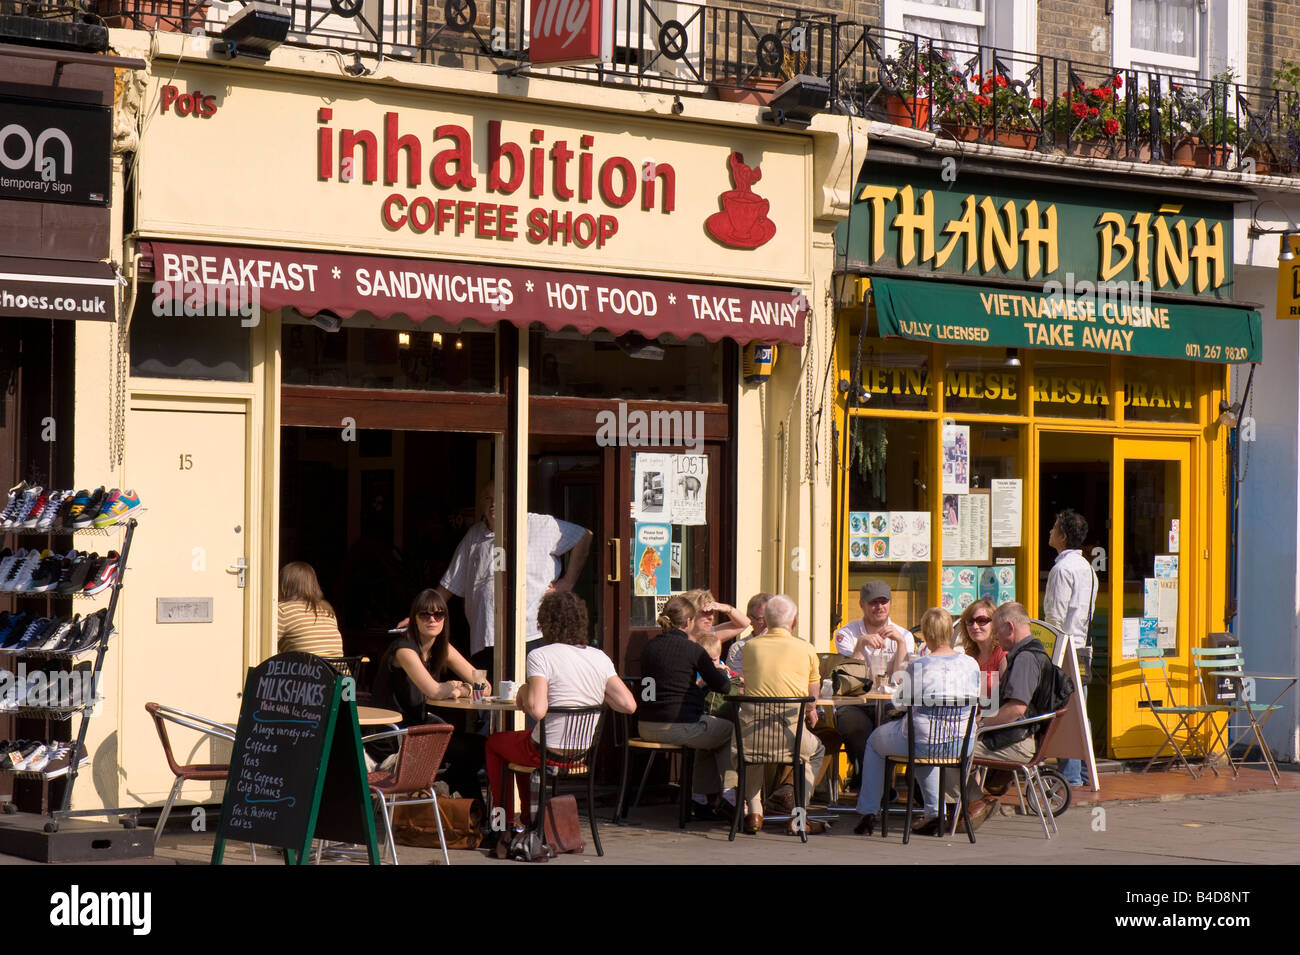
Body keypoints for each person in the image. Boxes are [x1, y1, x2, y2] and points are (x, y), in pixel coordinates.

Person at [484, 592, 636, 826]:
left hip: (547, 752)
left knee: (495, 744)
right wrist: (596, 695)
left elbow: (536, 710)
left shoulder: (540, 656)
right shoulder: (600, 657)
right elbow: (628, 704)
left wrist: (524, 690)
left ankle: (504, 824)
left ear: (545, 623)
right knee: (520, 745)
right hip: (580, 754)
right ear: (581, 622)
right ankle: (527, 819)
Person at [433, 481, 593, 679]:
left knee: (528, 699)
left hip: (530, 633)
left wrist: (567, 582)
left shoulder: (538, 525)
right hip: (485, 637)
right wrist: (422, 611)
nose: (492, 504)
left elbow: (583, 536)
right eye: (487, 499)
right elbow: (449, 585)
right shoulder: (474, 536)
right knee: (488, 700)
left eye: (498, 498)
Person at [852, 608, 980, 835]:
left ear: (926, 635)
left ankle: (868, 811)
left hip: (924, 740)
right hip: (962, 743)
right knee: (926, 741)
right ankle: (933, 813)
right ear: (950, 632)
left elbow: (901, 704)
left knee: (875, 741)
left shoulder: (921, 665)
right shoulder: (970, 663)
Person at [944, 601, 1055, 833]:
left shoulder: (1022, 659)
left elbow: (1015, 709)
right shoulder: (1028, 653)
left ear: (1009, 627)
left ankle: (975, 802)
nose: (994, 635)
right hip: (1014, 734)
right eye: (971, 621)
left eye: (994, 628)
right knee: (948, 744)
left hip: (1016, 740)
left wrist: (980, 725)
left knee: (944, 750)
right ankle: (971, 803)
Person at [368, 589, 487, 799]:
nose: (432, 620)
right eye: (425, 615)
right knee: (475, 751)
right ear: (414, 619)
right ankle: (469, 816)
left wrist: (463, 689)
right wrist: (453, 686)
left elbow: (484, 685)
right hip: (395, 735)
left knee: (481, 748)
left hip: (418, 727)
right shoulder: (404, 650)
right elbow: (434, 690)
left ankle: (468, 815)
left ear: (445, 620)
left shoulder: (441, 648)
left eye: (438, 615)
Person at [637, 595, 738, 820]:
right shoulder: (693, 650)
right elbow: (722, 686)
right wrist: (720, 673)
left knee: (709, 732)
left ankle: (699, 800)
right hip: (679, 726)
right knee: (730, 730)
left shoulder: (649, 647)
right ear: (688, 622)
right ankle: (729, 798)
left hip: (644, 725)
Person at [740, 594, 826, 836]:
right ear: (795, 621)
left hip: (753, 733)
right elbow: (812, 693)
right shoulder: (806, 649)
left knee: (753, 753)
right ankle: (798, 816)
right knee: (817, 750)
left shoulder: (750, 647)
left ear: (765, 620)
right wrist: (811, 711)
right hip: (791, 736)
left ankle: (754, 812)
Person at [832, 580, 915, 790]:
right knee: (855, 726)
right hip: (856, 701)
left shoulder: (903, 635)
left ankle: (878, 787)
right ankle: (869, 781)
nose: (879, 607)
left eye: (883, 601)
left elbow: (900, 679)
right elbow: (851, 678)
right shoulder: (847, 633)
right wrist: (860, 645)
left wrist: (902, 645)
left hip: (890, 702)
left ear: (890, 603)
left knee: (891, 726)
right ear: (862, 605)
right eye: (873, 603)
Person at [1044, 508, 1097, 787]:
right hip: (1081, 646)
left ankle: (1071, 775)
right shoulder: (1087, 568)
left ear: (1063, 536)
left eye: (1053, 528)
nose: (1049, 532)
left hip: (1064, 648)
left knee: (1065, 711)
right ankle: (1086, 770)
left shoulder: (1061, 569)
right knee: (1080, 710)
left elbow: (1054, 616)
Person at [276, 562, 345, 657]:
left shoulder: (282, 610)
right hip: (337, 671)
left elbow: (265, 644)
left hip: (308, 670)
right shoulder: (327, 610)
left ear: (283, 585)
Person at [958, 598, 1005, 702]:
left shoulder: (1002, 654)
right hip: (972, 715)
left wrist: (982, 717)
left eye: (982, 620)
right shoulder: (969, 655)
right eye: (970, 621)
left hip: (995, 715)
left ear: (995, 623)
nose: (975, 626)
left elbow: (1007, 698)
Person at [681, 588, 750, 647]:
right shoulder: (676, 638)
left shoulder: (710, 636)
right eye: (705, 612)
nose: (711, 617)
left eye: (712, 612)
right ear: (689, 614)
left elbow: (744, 624)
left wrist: (726, 608)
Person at [724, 593, 771, 676]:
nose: (768, 623)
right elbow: (736, 682)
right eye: (762, 619)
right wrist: (760, 644)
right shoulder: (738, 649)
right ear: (750, 619)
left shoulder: (788, 645)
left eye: (771, 618)